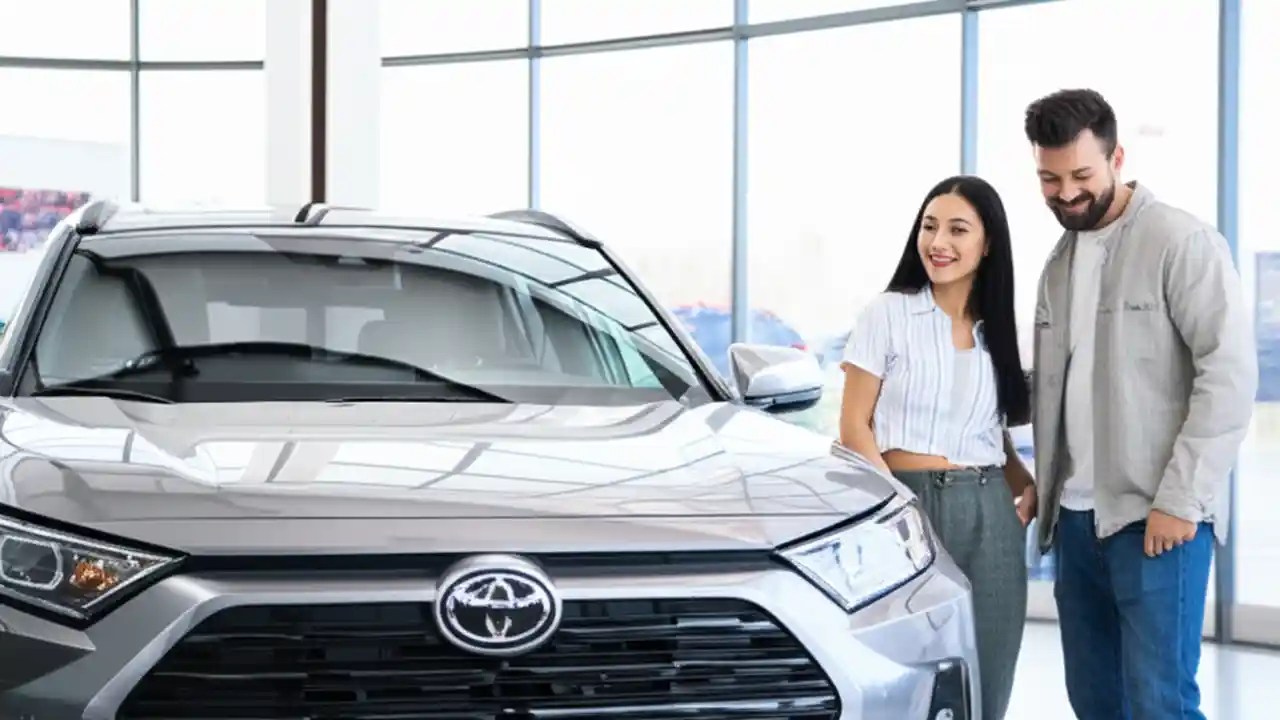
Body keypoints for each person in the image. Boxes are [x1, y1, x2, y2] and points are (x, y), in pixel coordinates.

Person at [1024, 88, 1257, 719]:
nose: (1066, 193)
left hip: (1156, 520)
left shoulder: (1180, 241)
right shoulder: (1058, 263)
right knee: (1095, 702)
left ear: (1117, 157)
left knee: (1160, 705)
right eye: (1049, 179)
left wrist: (1181, 502)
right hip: (1076, 523)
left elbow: (1229, 376)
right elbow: (1061, 385)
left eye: (1081, 175)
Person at [838, 174, 1035, 720]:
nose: (938, 242)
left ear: (988, 243)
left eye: (957, 230)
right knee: (905, 680)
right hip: (908, 505)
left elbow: (989, 428)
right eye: (929, 227)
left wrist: (1022, 480)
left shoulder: (999, 329)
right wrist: (899, 512)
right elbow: (854, 427)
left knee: (989, 678)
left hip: (991, 513)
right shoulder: (888, 312)